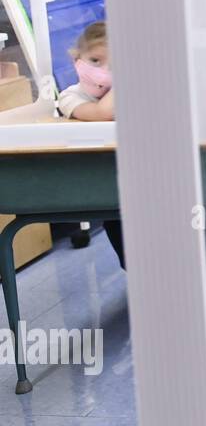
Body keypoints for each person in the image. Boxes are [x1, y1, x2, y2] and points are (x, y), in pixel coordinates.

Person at [56, 21, 125, 268]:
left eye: (115, 64)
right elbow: (102, 112)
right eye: (95, 60)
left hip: (146, 178)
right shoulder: (69, 96)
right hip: (107, 186)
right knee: (120, 231)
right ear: (77, 58)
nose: (104, 70)